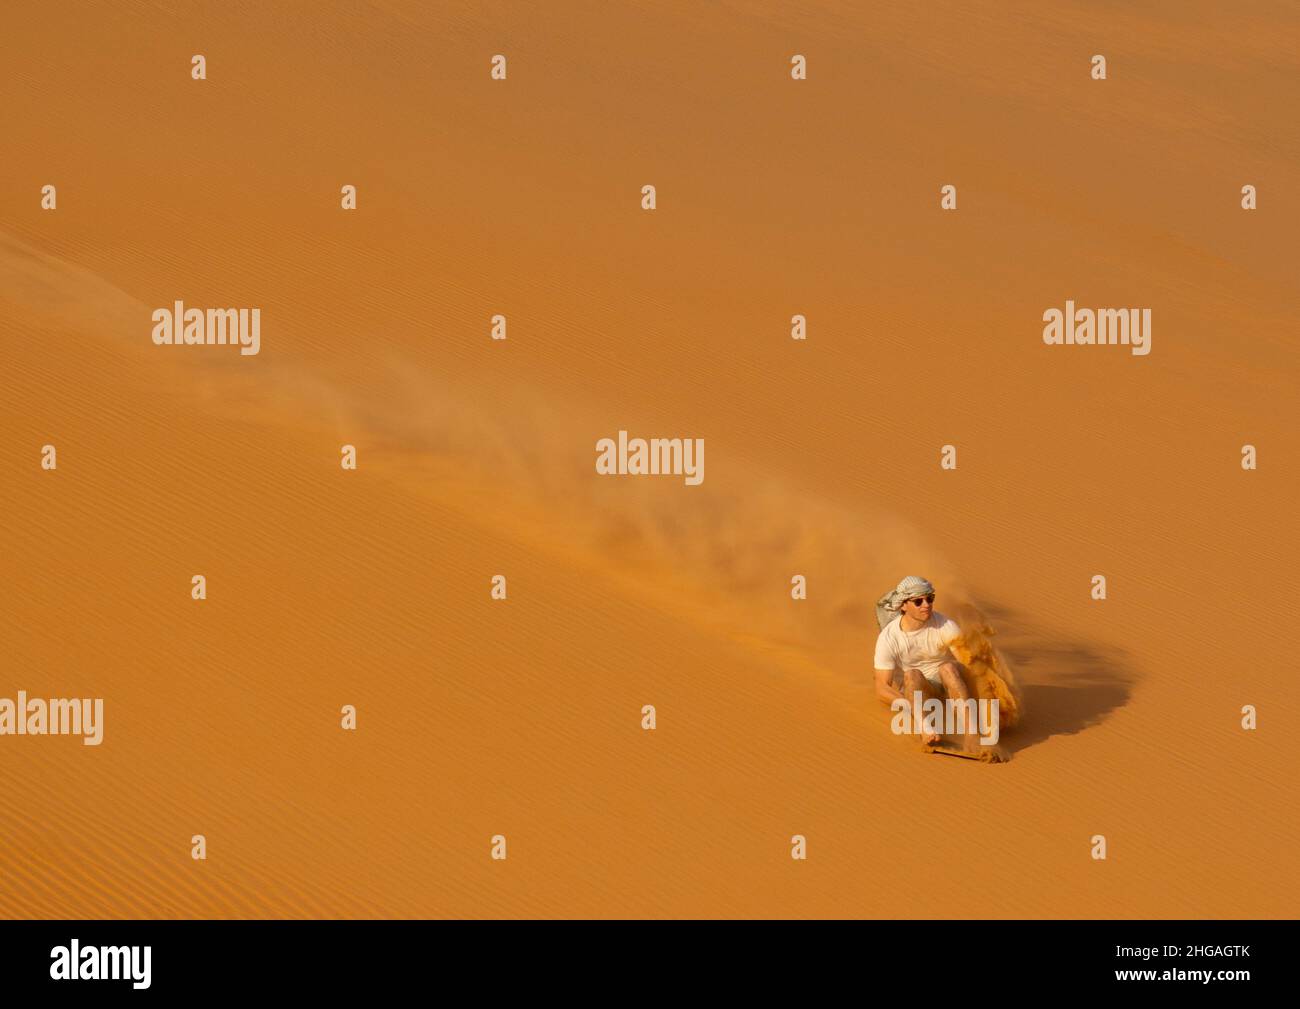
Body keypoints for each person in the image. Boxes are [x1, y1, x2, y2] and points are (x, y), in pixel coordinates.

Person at [872, 576, 978, 748]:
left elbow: (968, 664)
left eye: (930, 599)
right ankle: (926, 730)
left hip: (950, 686)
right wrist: (911, 706)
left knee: (948, 668)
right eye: (918, 601)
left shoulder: (945, 625)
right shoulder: (889, 637)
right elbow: (881, 688)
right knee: (911, 674)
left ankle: (972, 735)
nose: (926, 605)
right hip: (921, 692)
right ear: (904, 605)